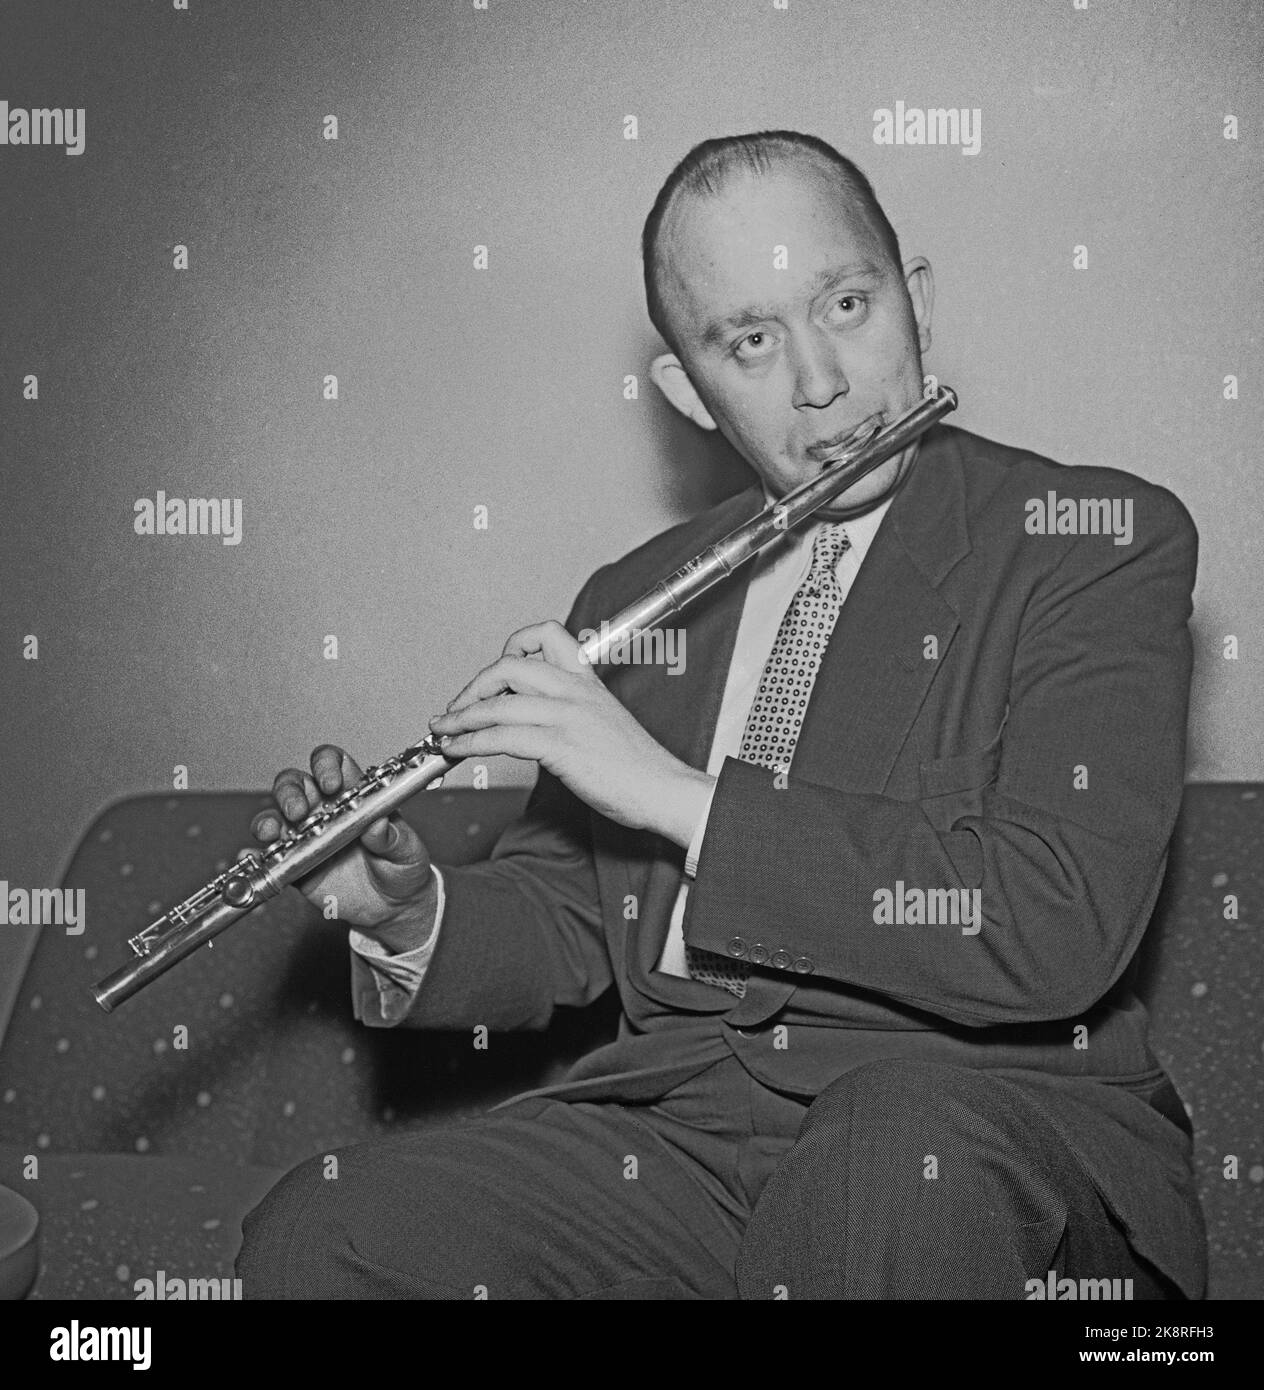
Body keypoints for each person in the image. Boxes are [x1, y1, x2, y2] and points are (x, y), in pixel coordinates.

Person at [235, 130, 1205, 1300]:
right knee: (325, 1230)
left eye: (847, 303)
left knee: (889, 1167)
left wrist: (674, 794)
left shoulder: (1091, 539)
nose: (821, 381)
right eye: (751, 340)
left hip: (975, 1138)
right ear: (689, 392)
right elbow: (572, 919)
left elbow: (1055, 922)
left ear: (918, 300)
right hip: (682, 1144)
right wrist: (406, 913)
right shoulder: (637, 600)